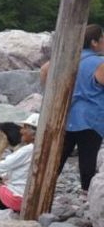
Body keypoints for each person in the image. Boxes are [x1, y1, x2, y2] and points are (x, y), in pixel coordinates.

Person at [42, 24, 104, 191]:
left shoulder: (68, 57)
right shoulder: (99, 63)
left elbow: (44, 70)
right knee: (87, 159)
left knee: (58, 157)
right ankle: (86, 194)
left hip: (65, 115)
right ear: (94, 42)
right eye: (102, 39)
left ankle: (44, 188)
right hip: (91, 118)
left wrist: (49, 94)